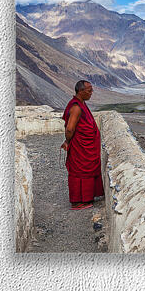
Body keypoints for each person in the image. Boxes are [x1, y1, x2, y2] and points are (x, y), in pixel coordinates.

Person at [61, 80, 104, 210]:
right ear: (80, 91)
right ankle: (77, 202)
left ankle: (87, 197)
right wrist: (67, 141)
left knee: (87, 171)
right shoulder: (76, 108)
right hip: (80, 147)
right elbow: (70, 129)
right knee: (79, 172)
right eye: (89, 91)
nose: (91, 93)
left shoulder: (82, 104)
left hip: (86, 146)